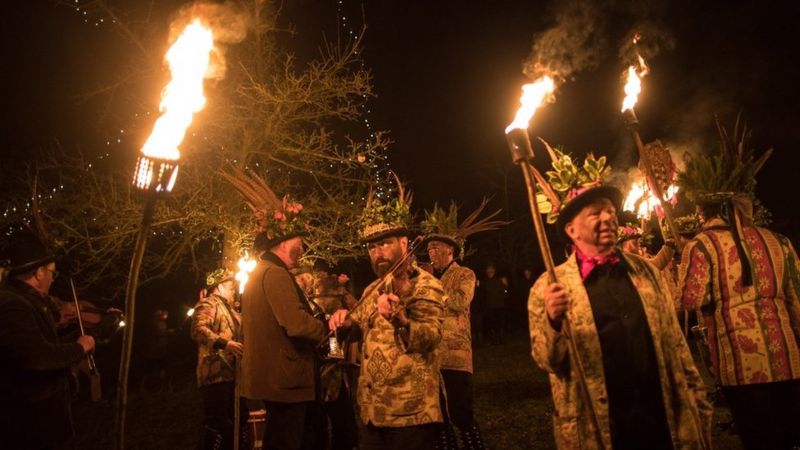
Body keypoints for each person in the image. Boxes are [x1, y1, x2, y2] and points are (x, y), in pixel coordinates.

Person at [528, 151, 711, 449]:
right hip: (599, 427)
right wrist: (553, 320)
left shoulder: (645, 273)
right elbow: (547, 360)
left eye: (610, 210)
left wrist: (698, 404)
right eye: (595, 213)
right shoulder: (550, 287)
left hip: (660, 420)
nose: (608, 217)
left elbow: (676, 344)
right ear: (571, 230)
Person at [676, 120, 800, 450]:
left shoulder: (701, 246)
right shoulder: (780, 241)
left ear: (706, 210)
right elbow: (797, 301)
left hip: (741, 368)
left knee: (760, 441)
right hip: (789, 361)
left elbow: (688, 300)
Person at [328, 181, 445, 450]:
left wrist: (400, 320)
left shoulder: (426, 285)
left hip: (411, 414)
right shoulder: (372, 289)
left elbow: (431, 337)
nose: (377, 253)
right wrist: (345, 321)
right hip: (373, 413)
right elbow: (359, 327)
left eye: (384, 244)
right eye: (371, 247)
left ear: (404, 243)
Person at [227, 168, 328, 450]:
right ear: (284, 242)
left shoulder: (262, 271)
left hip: (273, 380)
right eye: (299, 242)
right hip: (285, 382)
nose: (303, 247)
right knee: (287, 441)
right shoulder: (275, 273)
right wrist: (324, 327)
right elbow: (295, 323)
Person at [420, 200, 505, 449]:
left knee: (461, 412)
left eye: (435, 247)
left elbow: (459, 301)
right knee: (438, 415)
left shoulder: (465, 274)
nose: (431, 252)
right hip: (432, 355)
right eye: (429, 248)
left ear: (449, 250)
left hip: (456, 356)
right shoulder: (429, 277)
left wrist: (431, 286)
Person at [0, 231, 96, 449]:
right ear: (39, 273)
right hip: (32, 424)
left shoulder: (26, 301)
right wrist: (79, 347)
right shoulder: (13, 305)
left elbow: (41, 343)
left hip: (41, 420)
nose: (54, 278)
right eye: (52, 272)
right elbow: (37, 356)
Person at [190, 268, 247, 450]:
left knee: (240, 419)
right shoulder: (208, 304)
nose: (233, 291)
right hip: (215, 374)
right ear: (219, 286)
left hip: (235, 376)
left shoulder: (232, 310)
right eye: (231, 288)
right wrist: (225, 343)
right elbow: (198, 330)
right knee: (217, 422)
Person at [481, 263, 508, 344]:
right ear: (486, 271)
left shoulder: (499, 280)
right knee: (492, 324)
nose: (490, 271)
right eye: (488, 270)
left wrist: (506, 286)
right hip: (490, 307)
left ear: (494, 271)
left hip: (500, 306)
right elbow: (482, 294)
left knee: (501, 323)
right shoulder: (485, 282)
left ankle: (501, 339)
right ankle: (494, 340)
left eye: (491, 269)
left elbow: (506, 292)